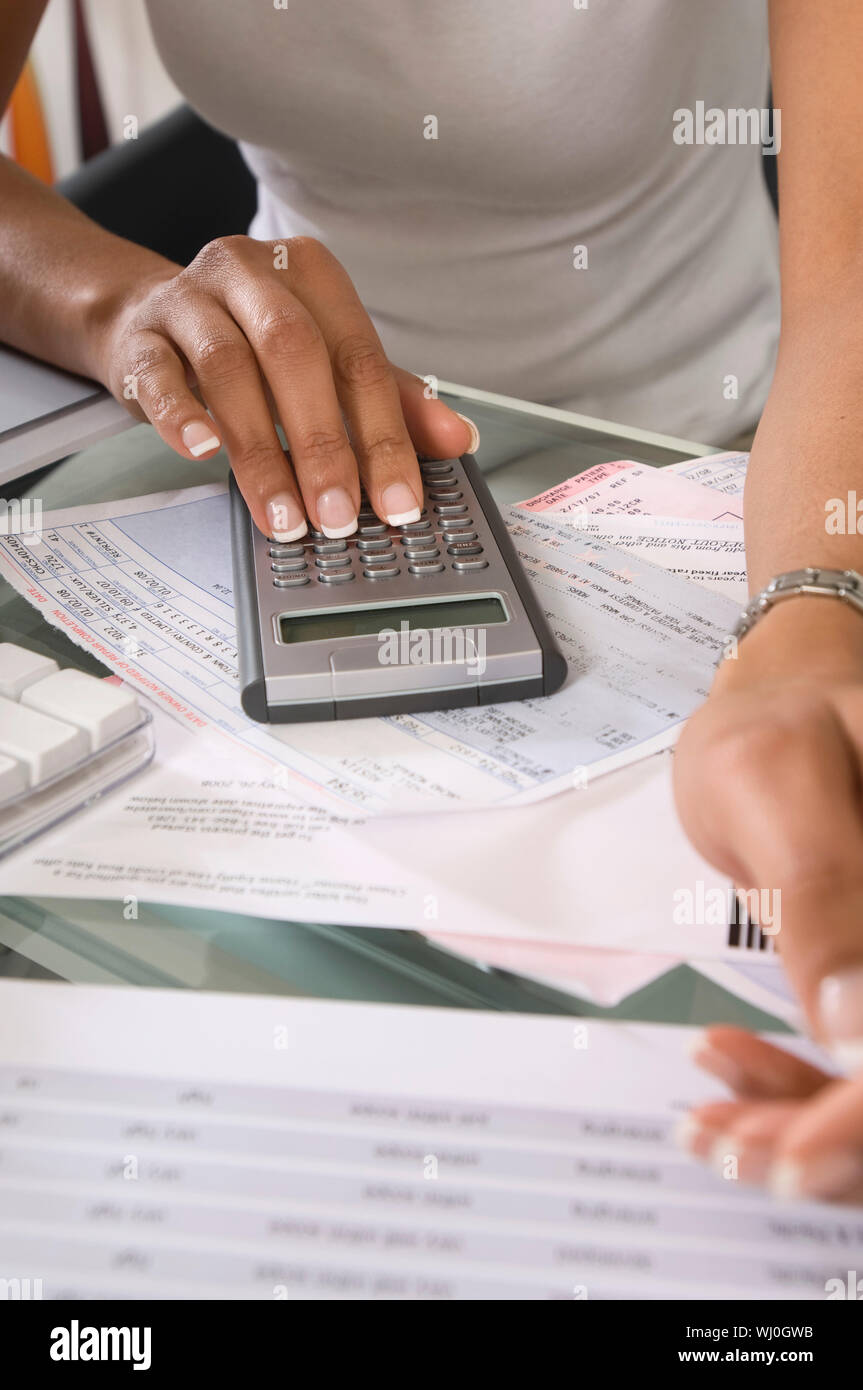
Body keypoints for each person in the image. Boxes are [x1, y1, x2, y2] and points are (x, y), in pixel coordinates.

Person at [2, 1, 863, 1200]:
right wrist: (117, 303)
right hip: (273, 474)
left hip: (723, 457)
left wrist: (814, 618)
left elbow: (853, 285)